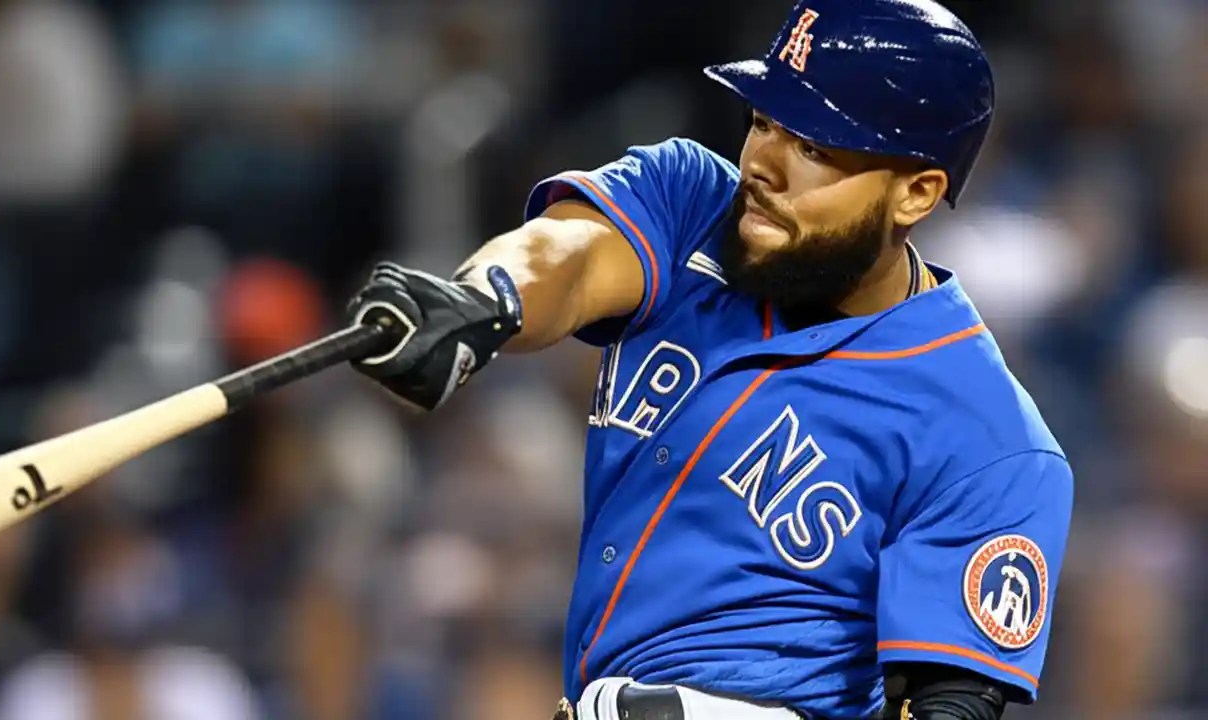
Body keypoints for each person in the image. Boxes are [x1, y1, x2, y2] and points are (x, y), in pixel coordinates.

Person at [344, 1, 1073, 718]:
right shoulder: (690, 204)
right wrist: (486, 300)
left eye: (814, 148)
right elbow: (566, 256)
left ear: (916, 192)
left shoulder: (992, 441)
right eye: (764, 121)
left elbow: (951, 703)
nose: (763, 164)